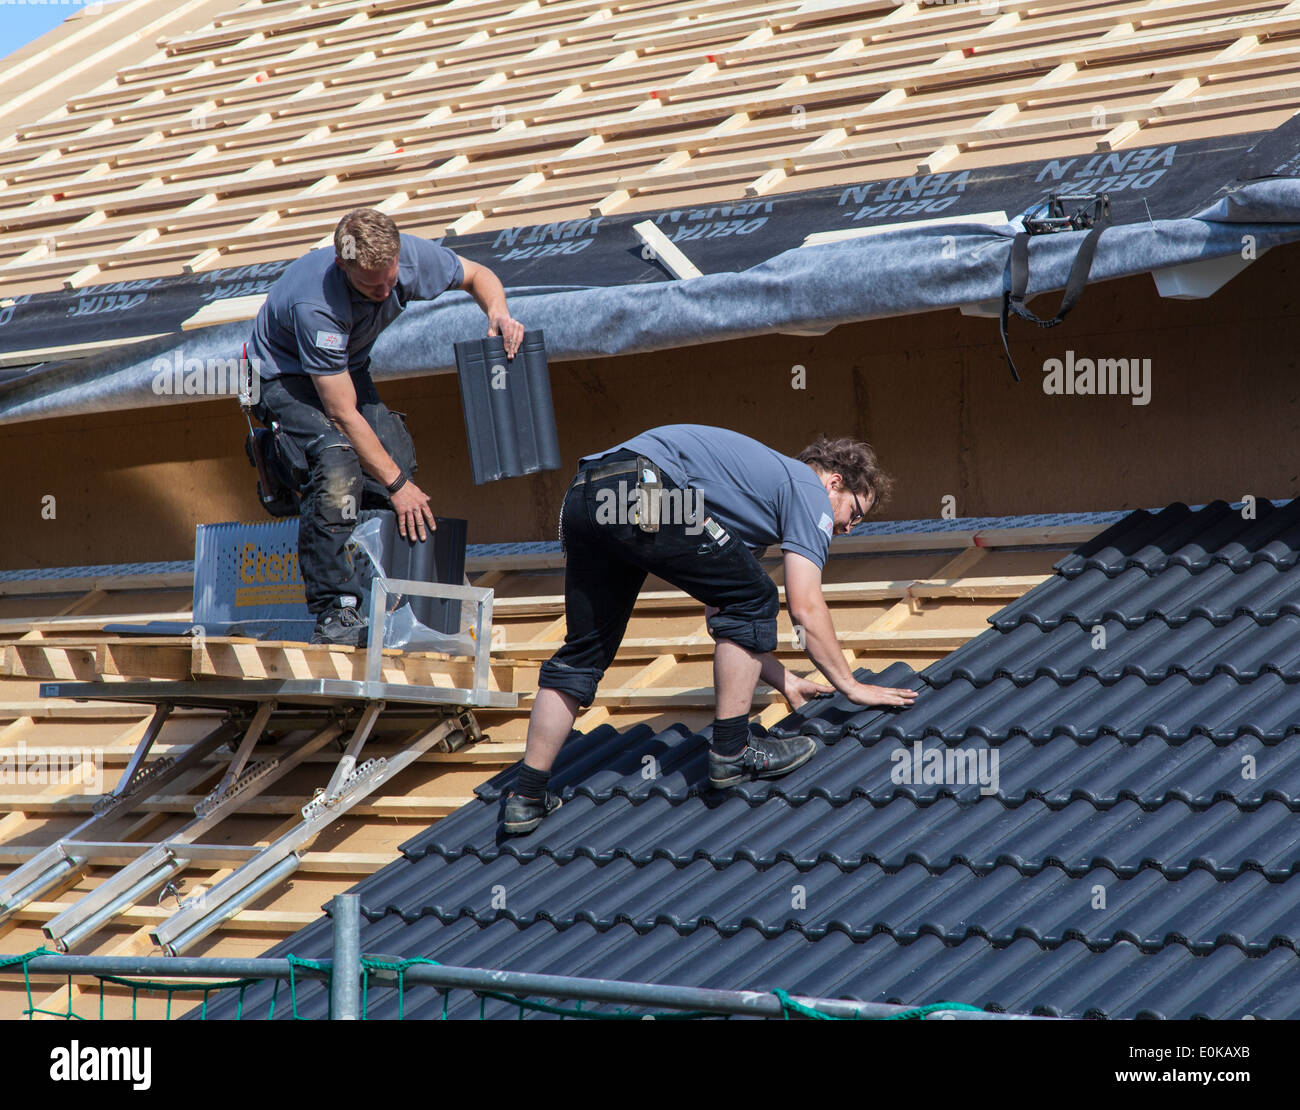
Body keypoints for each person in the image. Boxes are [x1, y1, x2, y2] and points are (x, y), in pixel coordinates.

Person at [503, 423, 919, 834]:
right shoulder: (808, 490)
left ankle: (526, 797)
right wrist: (850, 685)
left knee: (583, 654)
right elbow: (805, 606)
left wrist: (785, 680)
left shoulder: (746, 507)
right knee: (757, 595)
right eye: (854, 514)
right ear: (834, 482)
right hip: (644, 486)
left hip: (587, 494)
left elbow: (720, 613)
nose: (848, 528)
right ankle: (733, 750)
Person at [246, 207, 524, 646]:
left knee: (394, 457)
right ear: (343, 267)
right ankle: (335, 609)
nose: (384, 292)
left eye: (390, 281)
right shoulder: (316, 305)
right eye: (371, 286)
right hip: (278, 376)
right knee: (338, 463)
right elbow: (342, 413)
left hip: (346, 367)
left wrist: (499, 313)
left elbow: (478, 274)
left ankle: (389, 593)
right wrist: (397, 486)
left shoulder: (408, 257)